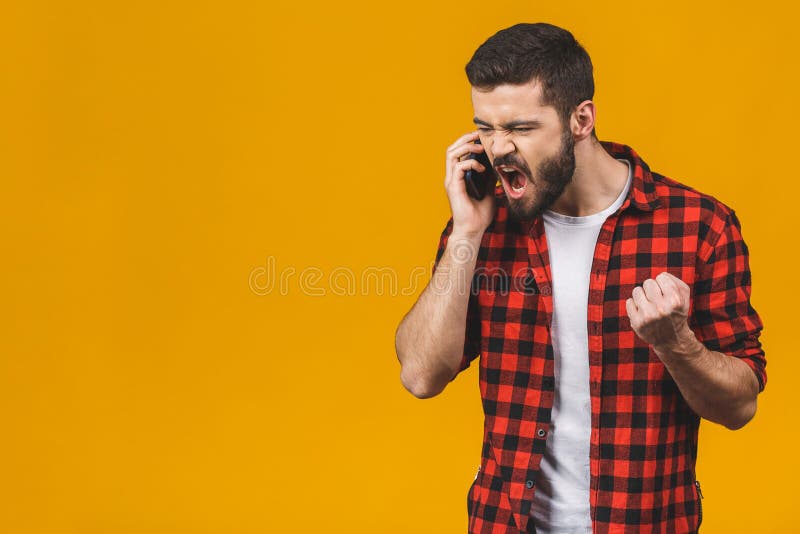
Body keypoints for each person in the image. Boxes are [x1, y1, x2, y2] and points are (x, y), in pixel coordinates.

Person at [394, 22, 766, 534]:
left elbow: (740, 405)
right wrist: (465, 233)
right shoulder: (485, 224)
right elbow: (420, 375)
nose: (498, 149)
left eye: (520, 129)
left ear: (581, 119)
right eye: (485, 127)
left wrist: (675, 343)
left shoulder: (699, 226)